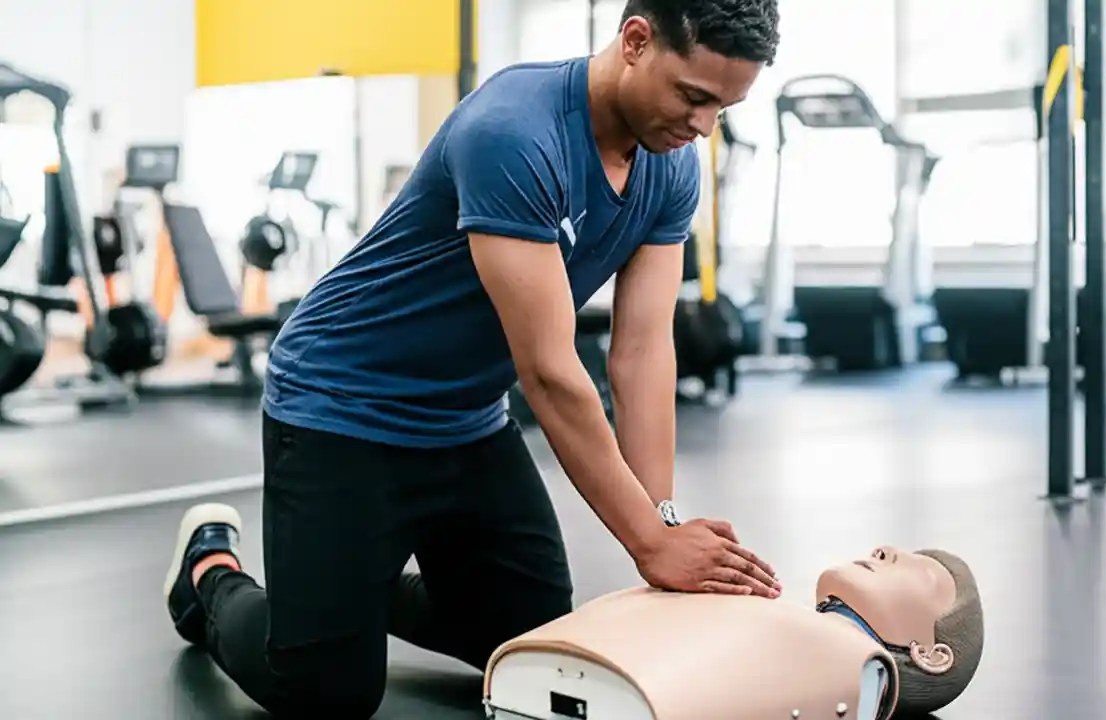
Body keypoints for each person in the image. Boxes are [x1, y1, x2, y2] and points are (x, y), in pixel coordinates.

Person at [161, 1, 783, 717]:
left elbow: (643, 350)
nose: (702, 127)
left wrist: (665, 522)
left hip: (463, 418)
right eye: (693, 97)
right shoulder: (515, 132)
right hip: (341, 404)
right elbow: (549, 369)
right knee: (325, 693)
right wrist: (648, 543)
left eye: (723, 109)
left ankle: (347, 588)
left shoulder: (670, 166)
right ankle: (209, 574)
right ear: (636, 41)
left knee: (535, 646)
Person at [483, 546, 984, 720]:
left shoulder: (847, 663)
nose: (884, 549)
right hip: (548, 665)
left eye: (922, 574)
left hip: (528, 673)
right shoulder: (778, 619)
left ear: (931, 654)